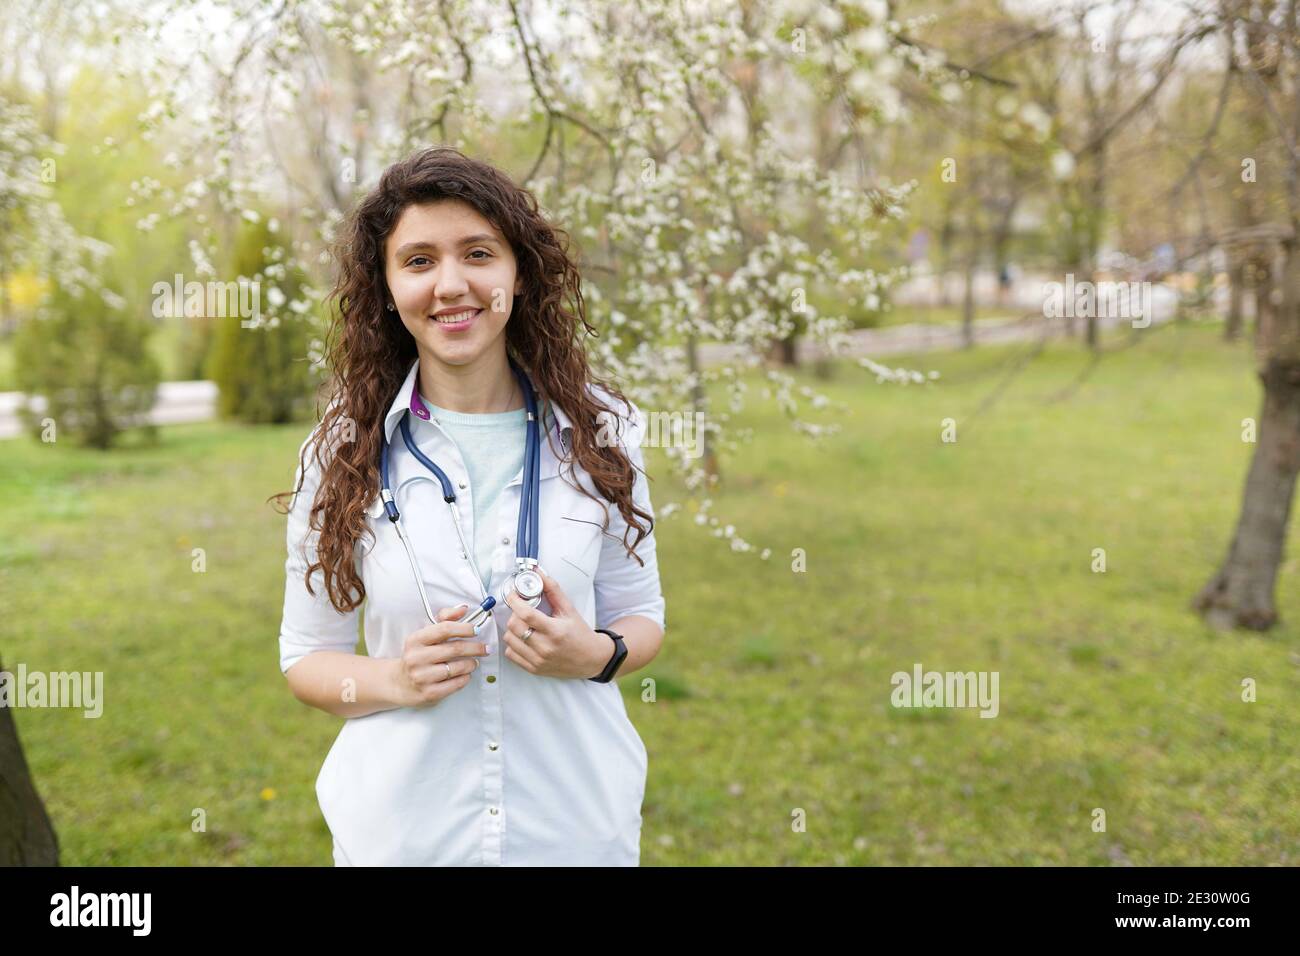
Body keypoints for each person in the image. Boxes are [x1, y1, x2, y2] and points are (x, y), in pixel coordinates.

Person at [273, 146, 667, 866]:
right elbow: (307, 659)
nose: (451, 284)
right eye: (418, 261)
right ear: (388, 288)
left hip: (574, 831)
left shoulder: (600, 431)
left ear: (518, 273)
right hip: (407, 839)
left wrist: (594, 655)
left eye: (477, 253)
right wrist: (395, 678)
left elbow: (643, 615)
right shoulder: (339, 452)